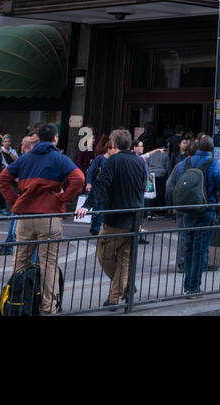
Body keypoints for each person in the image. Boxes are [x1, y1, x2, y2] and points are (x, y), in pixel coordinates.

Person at [0, 123, 84, 315]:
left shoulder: (25, 159)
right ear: (55, 139)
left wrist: (15, 201)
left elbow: (1, 180)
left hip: (25, 217)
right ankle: (47, 309)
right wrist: (62, 199)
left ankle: (15, 305)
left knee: (19, 263)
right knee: (48, 264)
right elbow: (78, 179)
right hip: (49, 217)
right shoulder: (59, 158)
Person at [78, 129, 146, 307]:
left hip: (116, 218)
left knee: (104, 254)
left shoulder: (114, 160)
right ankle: (116, 296)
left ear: (114, 144)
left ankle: (124, 286)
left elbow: (101, 183)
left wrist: (87, 205)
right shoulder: (139, 161)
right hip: (134, 217)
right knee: (124, 259)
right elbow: (143, 187)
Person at [170, 136, 220, 297]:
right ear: (211, 149)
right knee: (200, 249)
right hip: (206, 210)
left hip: (188, 210)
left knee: (188, 247)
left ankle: (187, 285)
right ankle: (194, 287)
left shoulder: (186, 162)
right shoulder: (213, 163)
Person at [0, 129, 37, 257]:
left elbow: (2, 179)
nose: (21, 147)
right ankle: (10, 244)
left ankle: (12, 246)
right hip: (24, 198)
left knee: (18, 224)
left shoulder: (26, 160)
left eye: (23, 145)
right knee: (15, 220)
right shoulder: (26, 160)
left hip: (27, 200)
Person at [84, 135, 112, 236]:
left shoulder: (113, 160)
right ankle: (95, 226)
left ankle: (95, 227)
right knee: (98, 208)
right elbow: (91, 171)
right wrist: (88, 182)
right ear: (108, 149)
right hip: (97, 186)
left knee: (100, 208)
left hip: (107, 189)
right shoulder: (100, 158)